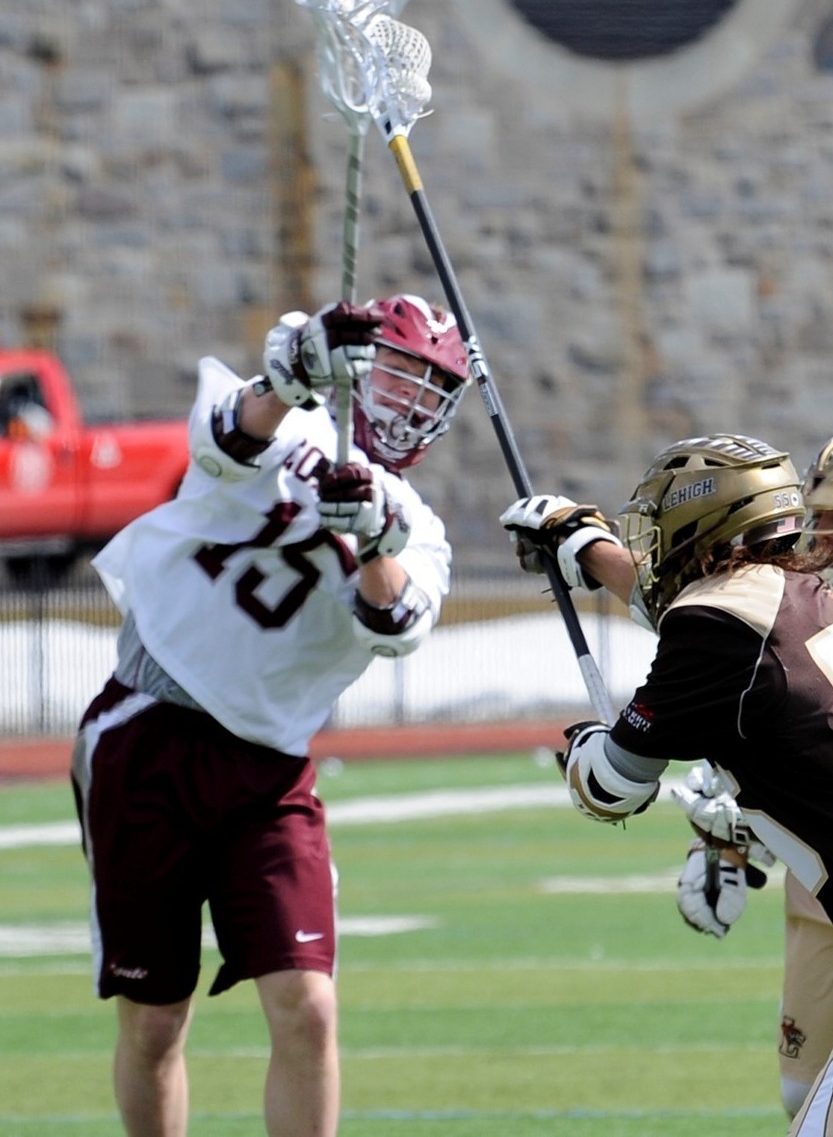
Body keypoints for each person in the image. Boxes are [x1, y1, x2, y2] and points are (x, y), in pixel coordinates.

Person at [71, 293, 469, 1137]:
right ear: (355, 368)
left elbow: (394, 627)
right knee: (153, 1020)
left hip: (267, 767)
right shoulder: (290, 420)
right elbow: (227, 438)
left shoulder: (419, 530)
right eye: (394, 375)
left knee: (308, 1008)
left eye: (426, 389)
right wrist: (292, 373)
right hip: (150, 726)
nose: (404, 403)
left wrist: (373, 543)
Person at [499, 433, 833, 1137]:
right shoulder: (807, 597)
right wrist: (580, 544)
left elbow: (609, 786)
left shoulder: (716, 622)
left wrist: (589, 747)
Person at [666, 435, 833, 1122]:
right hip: (818, 894)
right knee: (800, 1094)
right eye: (820, 517)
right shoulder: (791, 606)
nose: (822, 536)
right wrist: (729, 842)